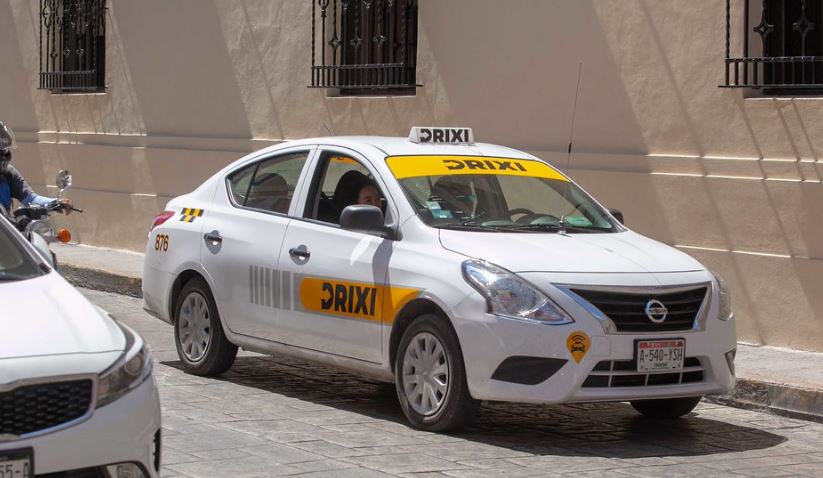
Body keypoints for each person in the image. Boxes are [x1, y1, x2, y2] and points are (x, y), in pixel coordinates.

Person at [0, 121, 72, 214]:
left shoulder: (8, 173)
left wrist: (56, 202)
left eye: (4, 151)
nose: (3, 155)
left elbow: (31, 199)